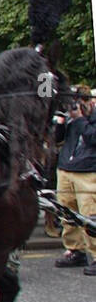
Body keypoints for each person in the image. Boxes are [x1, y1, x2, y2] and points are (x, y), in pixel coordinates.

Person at [54, 85, 96, 273]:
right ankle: (75, 249)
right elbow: (57, 139)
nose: (78, 107)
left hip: (88, 171)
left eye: (81, 103)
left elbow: (93, 138)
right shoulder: (72, 116)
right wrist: (61, 123)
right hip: (66, 168)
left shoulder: (88, 117)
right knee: (67, 213)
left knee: (90, 215)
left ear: (89, 101)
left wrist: (79, 119)